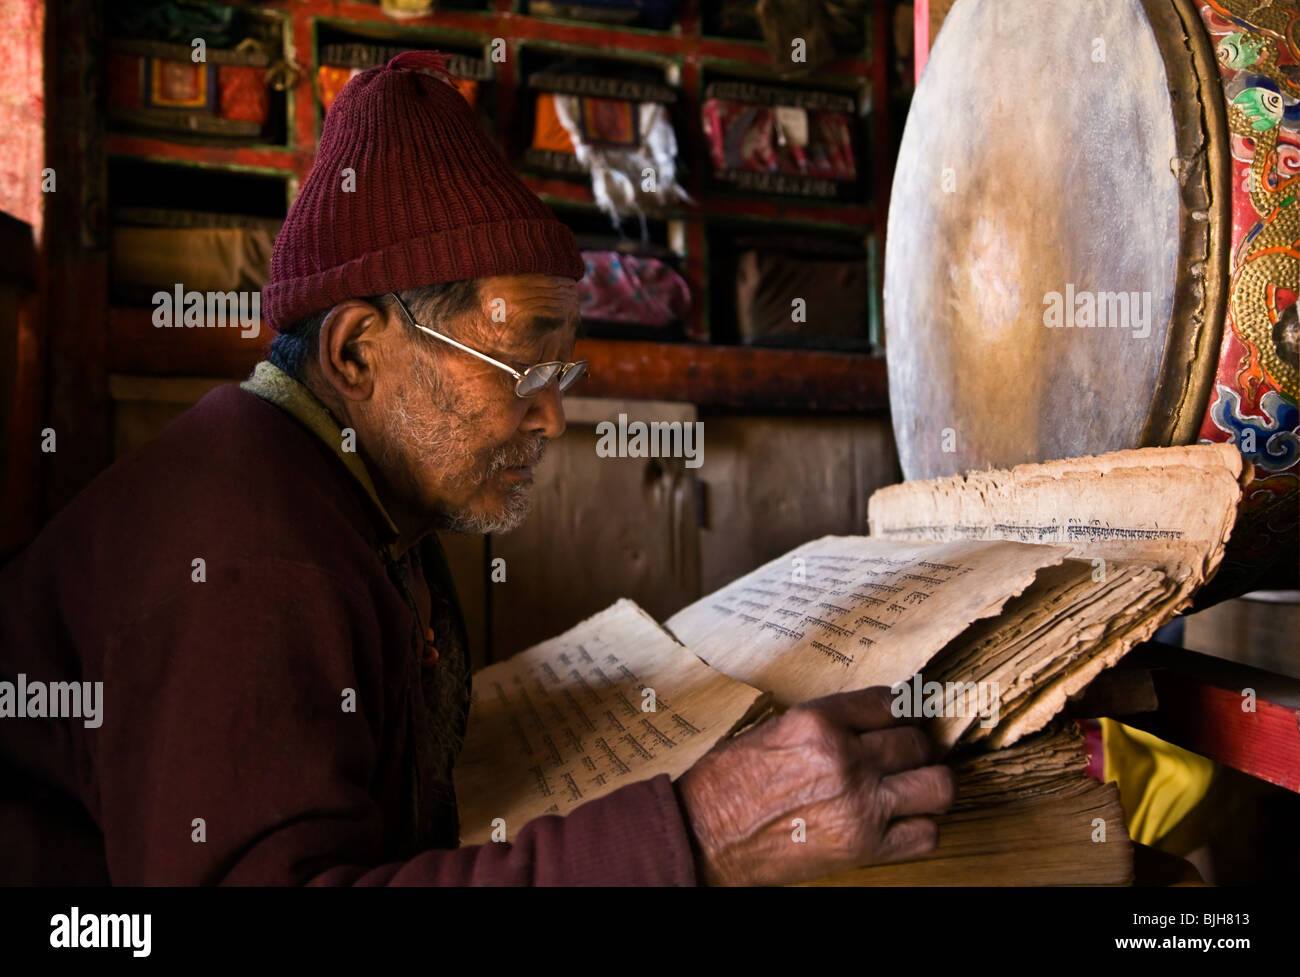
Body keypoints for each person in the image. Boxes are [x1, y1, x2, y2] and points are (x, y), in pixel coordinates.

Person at [0, 52, 953, 885]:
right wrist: (701, 834)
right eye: (521, 365)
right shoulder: (248, 555)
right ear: (359, 352)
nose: (552, 411)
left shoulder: (357, 492)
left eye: (560, 368)